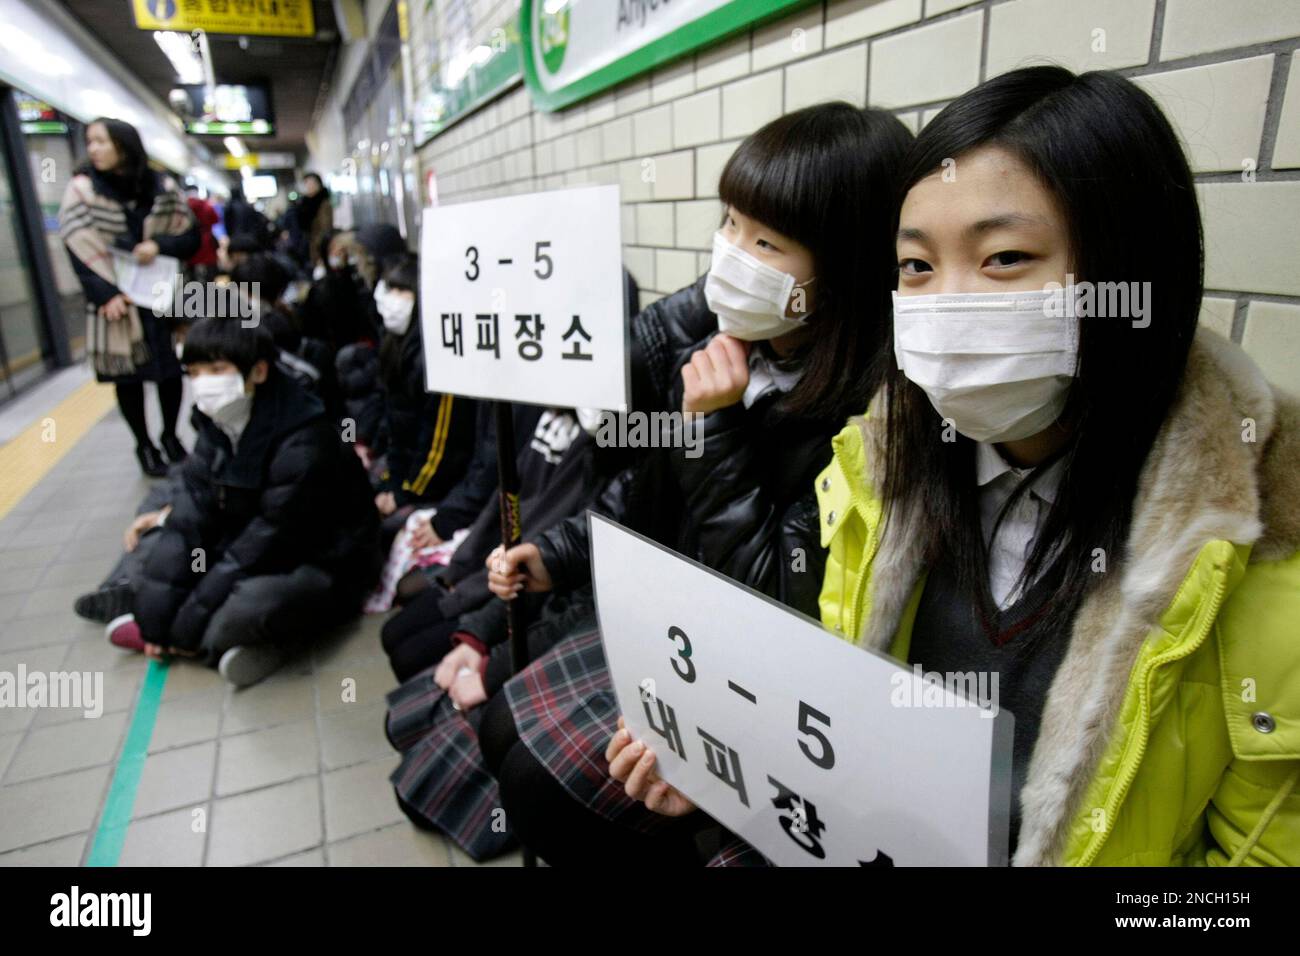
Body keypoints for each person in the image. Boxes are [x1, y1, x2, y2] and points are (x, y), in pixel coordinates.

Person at [615, 66, 1300, 867]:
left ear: (1132, 273)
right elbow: (835, 697)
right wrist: (734, 769)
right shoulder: (876, 472)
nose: (947, 305)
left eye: (1005, 257)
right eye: (917, 267)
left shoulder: (1259, 560)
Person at [464, 103, 914, 865]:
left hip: (760, 675)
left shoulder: (871, 412)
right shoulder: (722, 327)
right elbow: (643, 483)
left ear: (843, 269)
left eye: (766, 240)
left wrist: (712, 428)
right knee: (503, 715)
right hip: (676, 616)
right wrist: (560, 551)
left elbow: (781, 599)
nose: (732, 255)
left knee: (543, 786)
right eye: (731, 223)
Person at [106, 317, 381, 687]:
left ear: (259, 371)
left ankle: (222, 639)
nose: (204, 382)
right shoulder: (216, 424)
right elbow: (192, 515)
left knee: (255, 603)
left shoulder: (305, 442)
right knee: (158, 540)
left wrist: (181, 626)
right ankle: (178, 630)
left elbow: (270, 539)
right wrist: (159, 623)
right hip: (245, 542)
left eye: (217, 369)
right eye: (195, 371)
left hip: (320, 561)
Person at [58, 117, 199, 476]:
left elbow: (189, 237)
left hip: (160, 294)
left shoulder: (161, 187)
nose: (94, 149)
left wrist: (159, 244)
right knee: (127, 376)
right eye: (89, 142)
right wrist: (104, 294)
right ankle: (144, 445)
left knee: (170, 371)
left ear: (125, 145)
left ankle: (170, 436)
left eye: (102, 141)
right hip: (116, 300)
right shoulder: (83, 190)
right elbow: (77, 245)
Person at [371, 255, 478, 539]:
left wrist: (406, 493)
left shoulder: (440, 357)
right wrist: (391, 482)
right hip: (408, 474)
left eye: (402, 291)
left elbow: (441, 443)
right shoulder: (396, 344)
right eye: (390, 290)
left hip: (434, 486)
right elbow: (394, 425)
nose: (392, 300)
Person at [295, 173, 333, 268]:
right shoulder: (305, 203)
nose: (308, 186)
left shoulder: (323, 203)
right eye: (306, 183)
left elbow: (326, 227)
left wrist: (320, 246)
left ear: (318, 185)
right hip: (307, 244)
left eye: (310, 183)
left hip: (319, 246)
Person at [183, 184, 219, 284]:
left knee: (191, 277)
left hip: (189, 244)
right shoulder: (207, 206)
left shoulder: (183, 206)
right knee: (208, 276)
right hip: (207, 243)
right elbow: (216, 219)